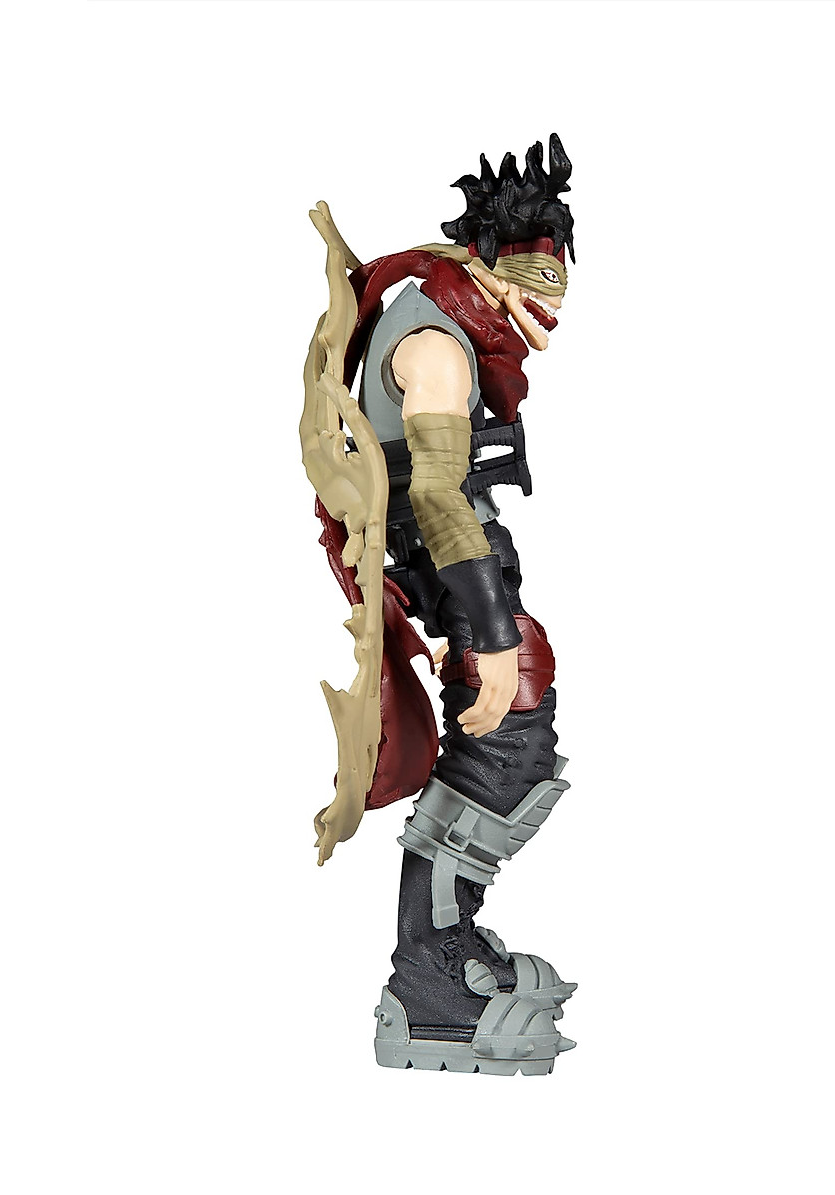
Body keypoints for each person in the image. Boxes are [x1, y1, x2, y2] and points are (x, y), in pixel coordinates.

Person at [302, 135, 579, 1074]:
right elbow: (436, 492)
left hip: (462, 562)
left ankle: (444, 944)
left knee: (505, 746)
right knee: (507, 746)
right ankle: (428, 974)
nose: (550, 306)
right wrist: (491, 635)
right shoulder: (435, 347)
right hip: (452, 565)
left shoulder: (438, 305)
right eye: (538, 280)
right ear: (490, 263)